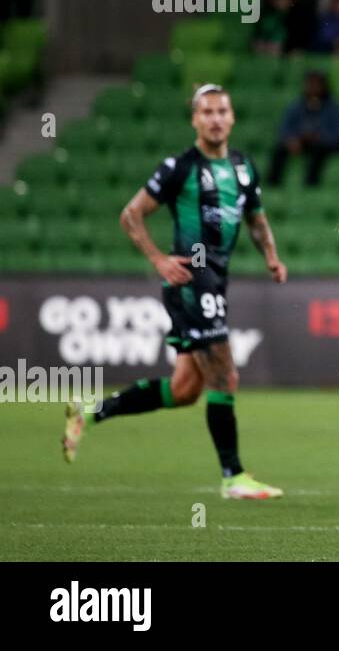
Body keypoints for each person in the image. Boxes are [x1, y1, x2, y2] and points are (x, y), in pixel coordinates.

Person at [62, 84, 286, 500]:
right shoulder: (180, 167)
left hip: (217, 278)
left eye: (222, 111)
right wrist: (158, 259)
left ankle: (90, 413)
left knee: (185, 390)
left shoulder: (243, 166)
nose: (216, 118)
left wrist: (271, 256)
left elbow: (255, 218)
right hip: (191, 278)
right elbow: (131, 214)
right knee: (225, 372)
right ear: (195, 119)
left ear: (232, 117)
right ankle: (233, 476)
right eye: (207, 112)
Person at [268, 70, 339, 187]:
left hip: (322, 144)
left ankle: (311, 185)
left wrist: (319, 137)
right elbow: (284, 128)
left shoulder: (334, 108)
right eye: (310, 84)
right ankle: (273, 183)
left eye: (316, 84)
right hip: (300, 141)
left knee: (319, 152)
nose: (313, 88)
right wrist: (291, 140)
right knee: (279, 149)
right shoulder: (296, 106)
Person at [251, 0, 315, 56]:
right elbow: (259, 33)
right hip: (266, 49)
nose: (279, 1)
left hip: (289, 52)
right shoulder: (267, 15)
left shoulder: (300, 16)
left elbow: (303, 38)